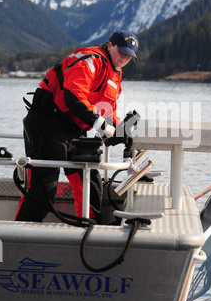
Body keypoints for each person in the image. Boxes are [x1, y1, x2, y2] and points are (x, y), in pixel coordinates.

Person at [15, 30, 139, 223]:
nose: (124, 58)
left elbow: (106, 108)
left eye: (129, 56)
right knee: (45, 183)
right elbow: (74, 98)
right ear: (110, 45)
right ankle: (19, 235)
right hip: (47, 123)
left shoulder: (115, 72)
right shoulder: (91, 60)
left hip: (73, 128)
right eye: (121, 52)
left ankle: (90, 228)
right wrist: (104, 127)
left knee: (89, 179)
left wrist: (117, 130)